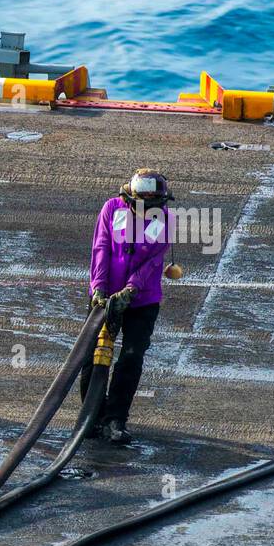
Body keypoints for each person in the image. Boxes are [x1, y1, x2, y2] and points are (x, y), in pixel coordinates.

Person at [80, 168, 175, 444]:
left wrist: (132, 289)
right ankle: (92, 416)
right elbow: (101, 246)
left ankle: (115, 419)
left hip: (142, 300)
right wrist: (99, 288)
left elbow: (153, 260)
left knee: (131, 357)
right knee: (93, 356)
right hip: (105, 297)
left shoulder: (165, 220)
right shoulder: (111, 208)